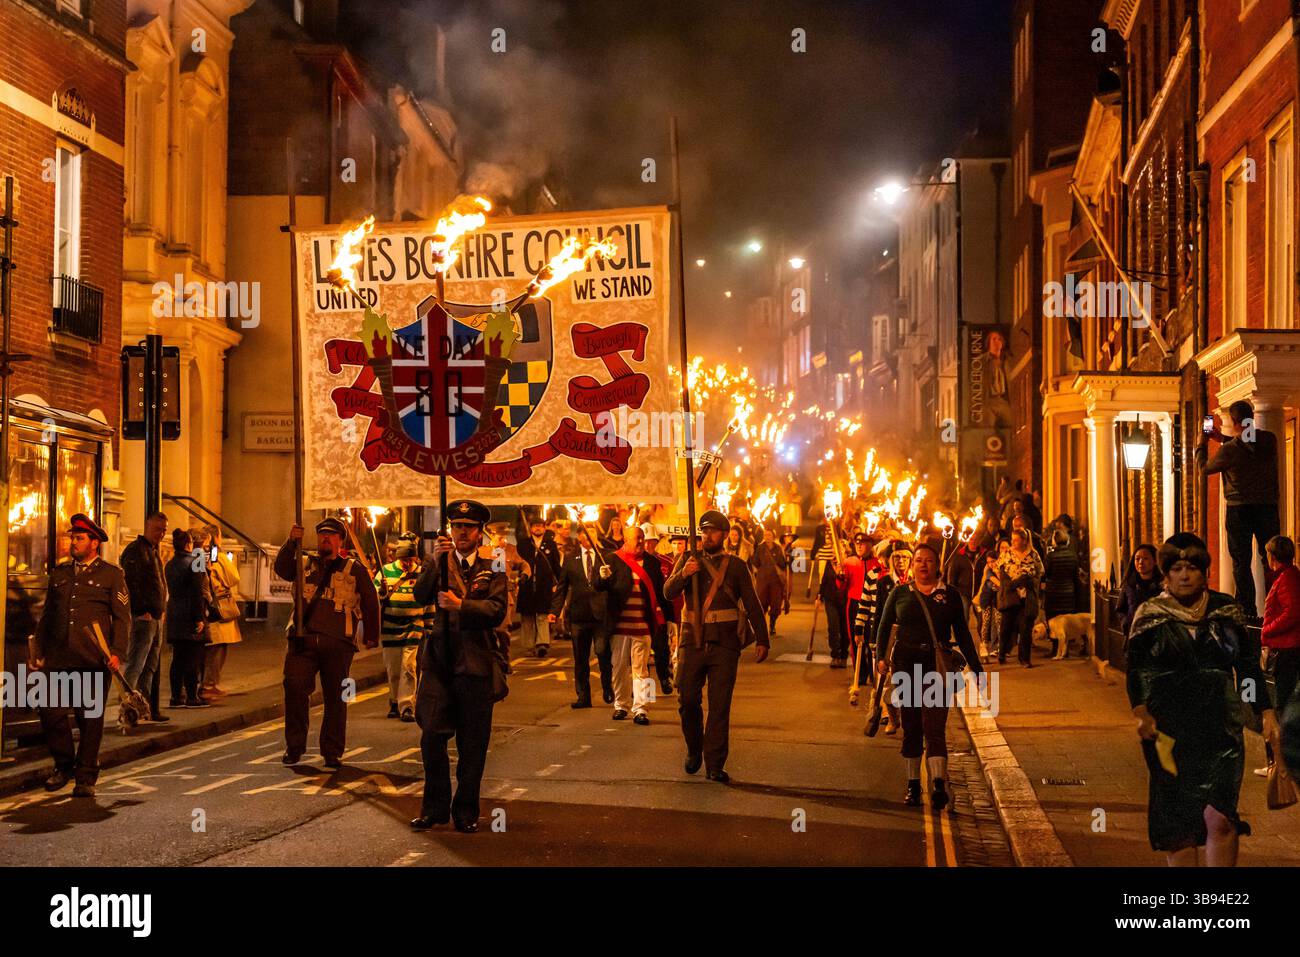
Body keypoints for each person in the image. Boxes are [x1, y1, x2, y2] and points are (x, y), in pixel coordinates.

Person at [1127, 532, 1278, 866]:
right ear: (1165, 573)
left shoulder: (1226, 611)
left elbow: (1247, 669)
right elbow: (1137, 670)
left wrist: (1263, 711)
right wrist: (1141, 711)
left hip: (1221, 728)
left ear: (1204, 571)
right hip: (1168, 731)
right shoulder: (1150, 615)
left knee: (1220, 817)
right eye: (1177, 568)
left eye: (1192, 567)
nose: (1185, 575)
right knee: (1178, 820)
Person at [407, 500, 507, 833]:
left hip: (475, 663)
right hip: (438, 661)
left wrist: (461, 604)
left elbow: (496, 610)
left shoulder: (494, 565)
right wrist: (435, 562)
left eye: (468, 527)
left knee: (472, 743)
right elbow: (420, 596)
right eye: (457, 526)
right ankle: (434, 808)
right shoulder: (436, 561)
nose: (461, 532)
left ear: (479, 533)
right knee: (431, 737)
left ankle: (465, 812)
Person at [664, 510, 770, 782]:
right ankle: (693, 748)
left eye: (712, 531)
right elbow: (668, 592)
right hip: (692, 641)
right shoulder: (688, 559)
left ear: (724, 535)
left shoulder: (735, 566)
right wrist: (684, 575)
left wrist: (762, 638)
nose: (706, 535)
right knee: (687, 699)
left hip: (724, 643)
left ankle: (714, 763)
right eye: (703, 531)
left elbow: (752, 602)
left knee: (720, 706)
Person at [875, 542, 982, 808]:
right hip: (906, 666)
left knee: (934, 728)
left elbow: (963, 634)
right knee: (911, 727)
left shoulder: (950, 596)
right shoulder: (900, 593)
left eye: (929, 561)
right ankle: (913, 786)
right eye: (918, 560)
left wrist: (977, 669)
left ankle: (937, 784)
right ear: (912, 566)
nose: (923, 564)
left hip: (937, 669)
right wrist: (881, 658)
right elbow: (885, 625)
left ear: (938, 566)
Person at [30, 514, 130, 798]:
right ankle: (63, 765)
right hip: (59, 658)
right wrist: (37, 651)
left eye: (79, 538)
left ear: (94, 543)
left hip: (92, 660)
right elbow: (48, 616)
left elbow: (122, 619)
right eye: (72, 537)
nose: (73, 542)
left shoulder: (112, 575)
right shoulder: (60, 574)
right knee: (50, 712)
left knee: (90, 719)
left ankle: (85, 776)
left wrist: (116, 652)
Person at [273, 516, 380, 768]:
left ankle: (332, 751)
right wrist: (291, 542)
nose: (325, 539)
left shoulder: (354, 569)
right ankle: (295, 747)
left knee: (337, 697)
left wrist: (372, 634)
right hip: (303, 640)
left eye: (331, 535)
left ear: (340, 541)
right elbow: (282, 569)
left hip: (339, 645)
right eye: (322, 535)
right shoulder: (303, 563)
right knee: (295, 689)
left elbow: (370, 600)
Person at [1197, 399, 1281, 615]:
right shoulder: (1268, 440)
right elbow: (1248, 443)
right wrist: (1223, 439)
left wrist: (1202, 444)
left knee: (1241, 562)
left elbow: (1204, 468)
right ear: (1251, 417)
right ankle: (1275, 607)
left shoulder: (1230, 450)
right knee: (1270, 558)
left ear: (1234, 421)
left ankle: (1248, 611)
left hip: (1239, 508)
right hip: (1267, 507)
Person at [553, 524, 618, 708]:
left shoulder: (606, 556)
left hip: (600, 614)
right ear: (580, 536)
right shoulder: (570, 558)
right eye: (587, 533)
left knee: (602, 653)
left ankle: (607, 688)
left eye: (593, 533)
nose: (591, 536)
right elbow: (562, 586)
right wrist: (554, 611)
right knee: (580, 659)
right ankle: (583, 696)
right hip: (579, 615)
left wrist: (608, 578)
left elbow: (614, 584)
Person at [608, 526, 668, 725]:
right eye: (637, 538)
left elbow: (660, 592)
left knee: (641, 668)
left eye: (642, 538)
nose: (641, 542)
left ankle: (642, 708)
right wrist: (602, 578)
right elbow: (600, 588)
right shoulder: (613, 560)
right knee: (618, 667)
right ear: (625, 540)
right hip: (619, 627)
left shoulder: (652, 562)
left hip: (643, 625)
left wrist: (666, 618)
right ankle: (620, 705)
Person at [120, 510, 169, 723]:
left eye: (164, 530)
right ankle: (127, 708)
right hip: (145, 617)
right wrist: (141, 611)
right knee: (136, 665)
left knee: (150, 666)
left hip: (156, 616)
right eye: (158, 529)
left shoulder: (152, 551)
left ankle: (143, 708)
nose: (161, 534)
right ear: (147, 526)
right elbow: (131, 584)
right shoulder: (136, 551)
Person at [1261, 535, 1300, 776]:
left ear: (1272, 556)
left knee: (1282, 704)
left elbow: (1293, 612)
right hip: (1289, 647)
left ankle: (1280, 764)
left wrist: (1267, 629)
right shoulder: (1289, 576)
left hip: (1287, 649)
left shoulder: (1287, 578)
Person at [375, 541, 426, 721]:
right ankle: (394, 702)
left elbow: (428, 600)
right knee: (394, 668)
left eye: (410, 559)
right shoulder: (385, 572)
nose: (407, 563)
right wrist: (381, 591)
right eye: (404, 560)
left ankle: (407, 706)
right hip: (390, 628)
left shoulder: (421, 573)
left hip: (413, 626)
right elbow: (373, 599)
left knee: (409, 667)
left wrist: (429, 625)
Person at [165, 528, 211, 708]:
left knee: (178, 658)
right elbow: (197, 592)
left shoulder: (169, 564)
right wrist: (199, 618)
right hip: (190, 615)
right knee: (193, 657)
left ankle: (176, 696)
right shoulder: (195, 563)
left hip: (175, 614)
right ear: (188, 544)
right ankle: (192, 696)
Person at [199, 524, 242, 698]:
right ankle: (209, 685)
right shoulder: (220, 558)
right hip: (219, 608)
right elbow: (234, 578)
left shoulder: (198, 557)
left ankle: (205, 684)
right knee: (217, 649)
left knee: (208, 650)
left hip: (205, 607)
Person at [516, 512, 561, 657]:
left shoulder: (551, 544)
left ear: (544, 528)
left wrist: (561, 581)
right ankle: (528, 645)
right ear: (530, 528)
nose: (538, 528)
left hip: (544, 585)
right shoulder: (523, 544)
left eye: (540, 526)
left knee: (542, 614)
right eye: (535, 526)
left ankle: (542, 643)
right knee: (527, 616)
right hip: (527, 584)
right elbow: (517, 563)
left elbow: (555, 566)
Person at [997, 527, 1044, 667]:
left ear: (1024, 540)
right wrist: (1010, 583)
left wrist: (1030, 582)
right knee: (1006, 626)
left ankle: (1024, 658)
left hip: (1026, 597)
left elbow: (1039, 573)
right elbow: (999, 570)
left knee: (1025, 628)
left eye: (1017, 540)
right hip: (1010, 596)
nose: (1014, 542)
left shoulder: (1033, 555)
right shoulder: (1007, 554)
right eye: (1013, 539)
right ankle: (1002, 653)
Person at [641, 525, 676, 695]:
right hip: (637, 616)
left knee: (661, 649)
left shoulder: (658, 562)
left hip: (656, 614)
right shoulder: (625, 562)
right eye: (645, 541)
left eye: (651, 542)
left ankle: (664, 679)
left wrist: (670, 618)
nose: (648, 545)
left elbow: (664, 591)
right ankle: (645, 691)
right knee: (641, 656)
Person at [1115, 544, 1163, 637]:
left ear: (1155, 561)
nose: (1141, 562)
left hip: (1156, 636)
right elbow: (1120, 609)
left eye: (1146, 558)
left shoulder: (1162, 586)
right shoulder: (1129, 584)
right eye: (1137, 559)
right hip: (1133, 635)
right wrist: (1125, 623)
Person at [750, 527, 788, 638]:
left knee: (775, 605)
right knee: (762, 604)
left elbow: (782, 564)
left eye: (769, 535)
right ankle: (761, 627)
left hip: (775, 581)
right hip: (763, 581)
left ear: (773, 537)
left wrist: (787, 557)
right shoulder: (760, 548)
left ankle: (772, 624)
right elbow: (755, 562)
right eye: (766, 535)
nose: (767, 537)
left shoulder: (777, 548)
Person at [974, 538, 1009, 660]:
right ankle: (984, 646)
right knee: (986, 621)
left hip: (997, 599)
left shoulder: (1002, 568)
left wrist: (999, 571)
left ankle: (1000, 648)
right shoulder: (989, 570)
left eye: (993, 561)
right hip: (986, 599)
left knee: (999, 621)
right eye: (989, 562)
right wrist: (996, 571)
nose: (991, 564)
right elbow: (999, 583)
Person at [818, 540, 850, 668]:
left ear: (844, 550)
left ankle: (843, 655)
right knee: (833, 626)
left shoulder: (849, 563)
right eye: (834, 548)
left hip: (845, 599)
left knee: (844, 628)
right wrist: (819, 595)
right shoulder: (829, 563)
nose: (836, 550)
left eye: (839, 548)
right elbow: (824, 580)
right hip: (830, 598)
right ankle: (835, 655)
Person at [1041, 527, 1080, 623]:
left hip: (1053, 594)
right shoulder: (1073, 555)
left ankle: (1054, 638)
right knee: (1067, 622)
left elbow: (1046, 574)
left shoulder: (1050, 556)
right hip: (1068, 594)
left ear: (1054, 541)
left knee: (1053, 623)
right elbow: (1075, 577)